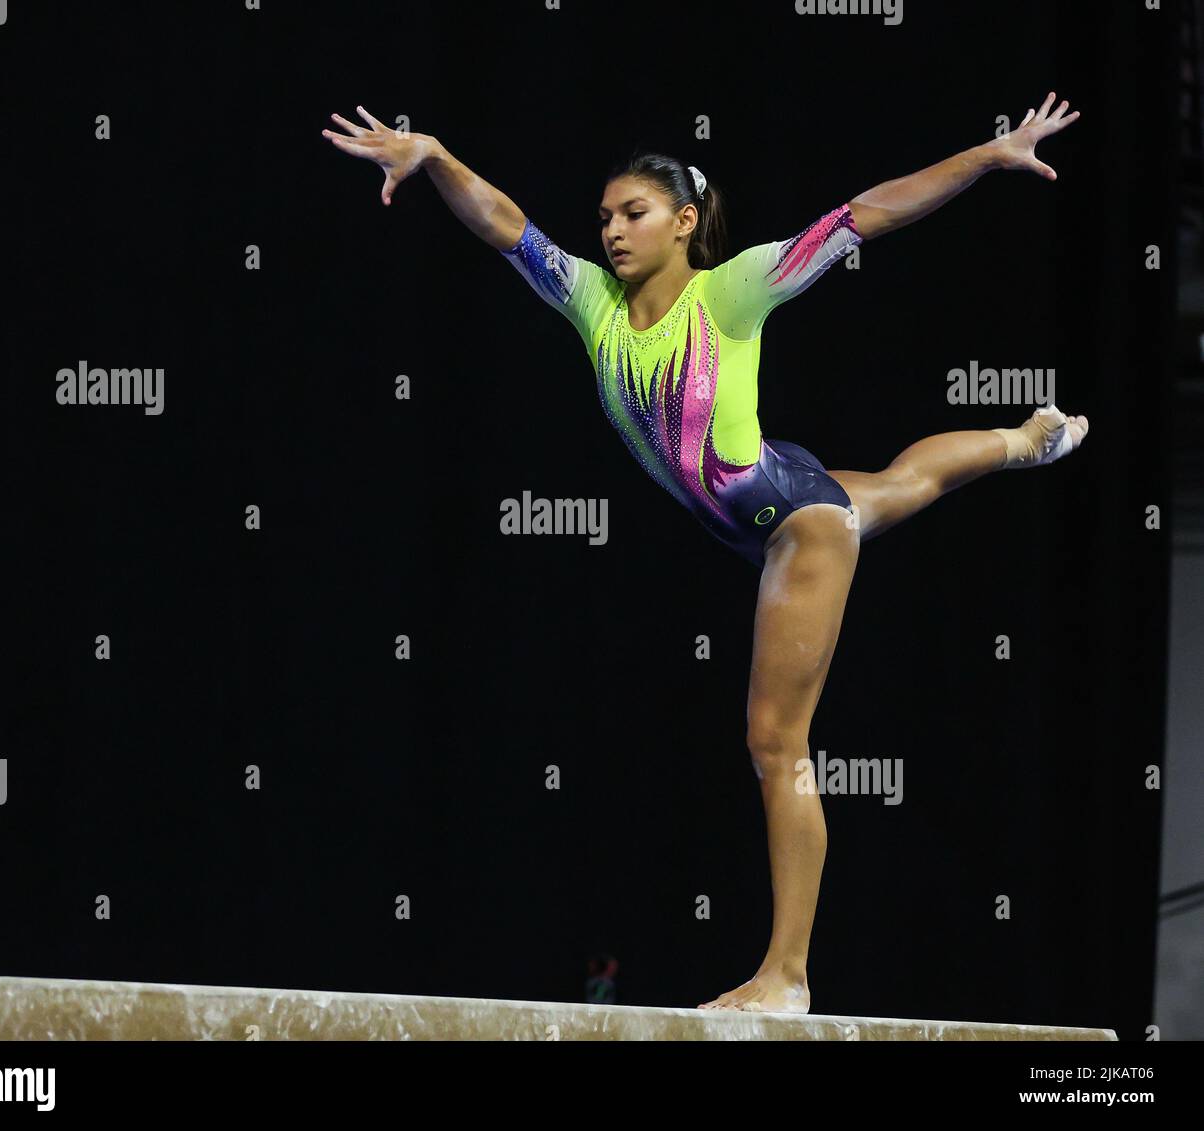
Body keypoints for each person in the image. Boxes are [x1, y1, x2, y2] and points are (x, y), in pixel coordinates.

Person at [323, 92, 1087, 1013]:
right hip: (778, 490)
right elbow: (506, 227)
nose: (610, 230)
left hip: (790, 531)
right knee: (894, 486)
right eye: (603, 215)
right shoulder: (592, 306)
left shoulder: (730, 291)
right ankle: (1022, 439)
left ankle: (788, 974)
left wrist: (988, 155)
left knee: (777, 743)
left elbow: (867, 212)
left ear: (685, 223)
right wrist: (438, 155)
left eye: (633, 213)